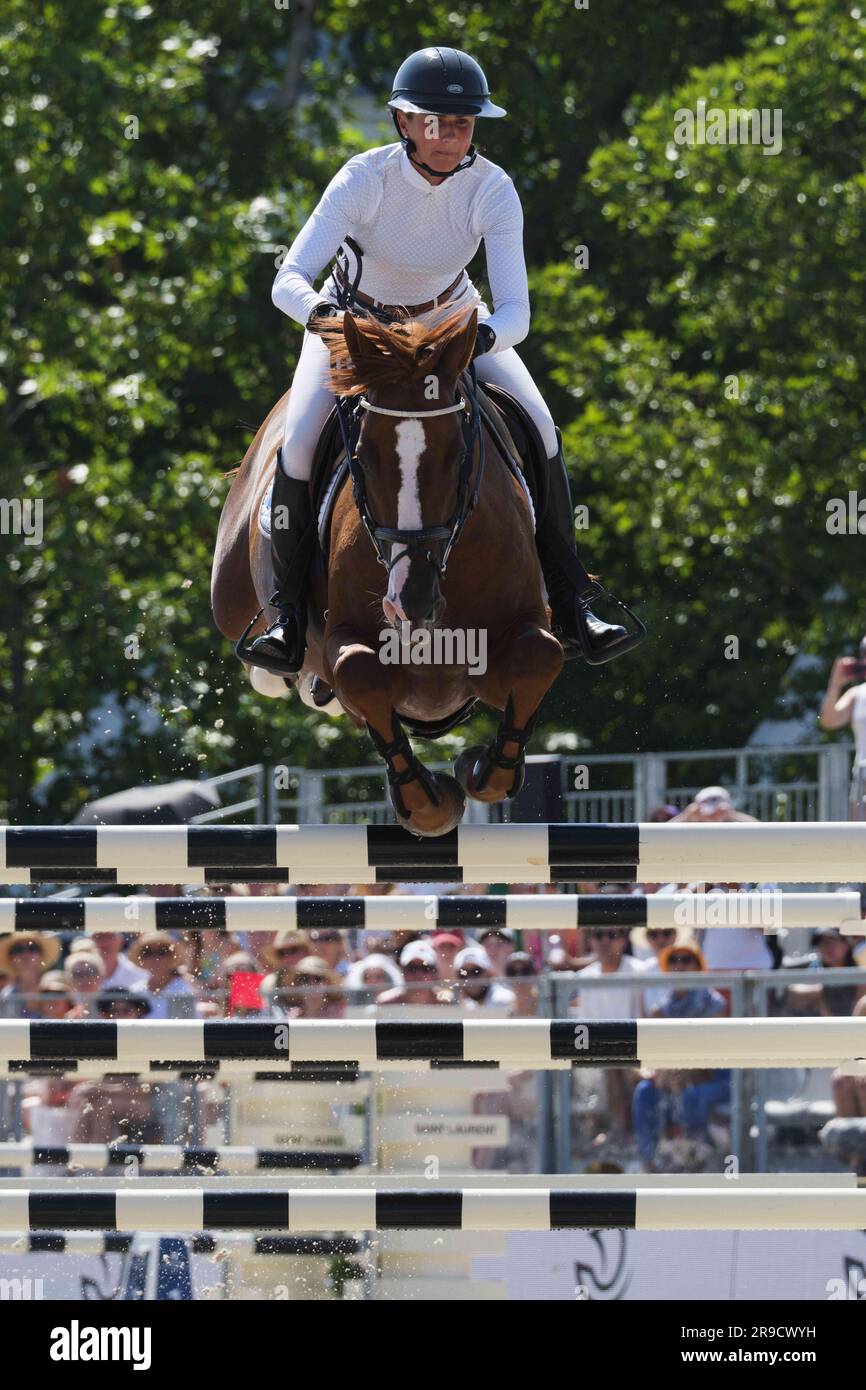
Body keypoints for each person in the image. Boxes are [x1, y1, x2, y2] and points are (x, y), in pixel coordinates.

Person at [245, 45, 640, 676]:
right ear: (404, 123)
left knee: (541, 429)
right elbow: (287, 277)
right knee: (296, 448)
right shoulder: (363, 179)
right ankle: (290, 614)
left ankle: (573, 599)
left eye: (462, 123)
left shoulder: (493, 190)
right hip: (357, 327)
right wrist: (332, 325)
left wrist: (470, 343)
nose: (450, 136)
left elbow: (516, 313)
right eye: (435, 122)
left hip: (450, 324)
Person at [631, 940, 730, 1172]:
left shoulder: (715, 1005)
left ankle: (696, 1160)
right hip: (675, 1078)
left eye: (687, 960)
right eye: (673, 960)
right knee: (645, 1092)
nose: (680, 966)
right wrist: (653, 1074)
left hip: (716, 1080)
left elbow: (715, 1057)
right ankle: (649, 1163)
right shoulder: (660, 1009)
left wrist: (680, 1072)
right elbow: (643, 1055)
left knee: (691, 1096)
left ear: (698, 966)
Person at [819, 638, 866, 816]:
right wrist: (835, 684)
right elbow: (829, 721)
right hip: (863, 774)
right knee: (861, 839)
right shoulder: (857, 694)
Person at [127, 932, 199, 1019]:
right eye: (148, 952)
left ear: (171, 956)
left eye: (162, 951)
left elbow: (185, 1028)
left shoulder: (183, 990)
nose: (155, 958)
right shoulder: (135, 992)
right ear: (141, 958)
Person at [0, 934, 61, 1018]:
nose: (25, 954)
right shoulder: (6, 995)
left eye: (32, 948)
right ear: (11, 958)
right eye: (18, 950)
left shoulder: (57, 988)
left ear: (41, 955)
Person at [455, 945, 516, 1010]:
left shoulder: (504, 1000)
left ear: (490, 973)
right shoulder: (468, 1005)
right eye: (463, 974)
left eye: (476, 971)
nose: (470, 978)